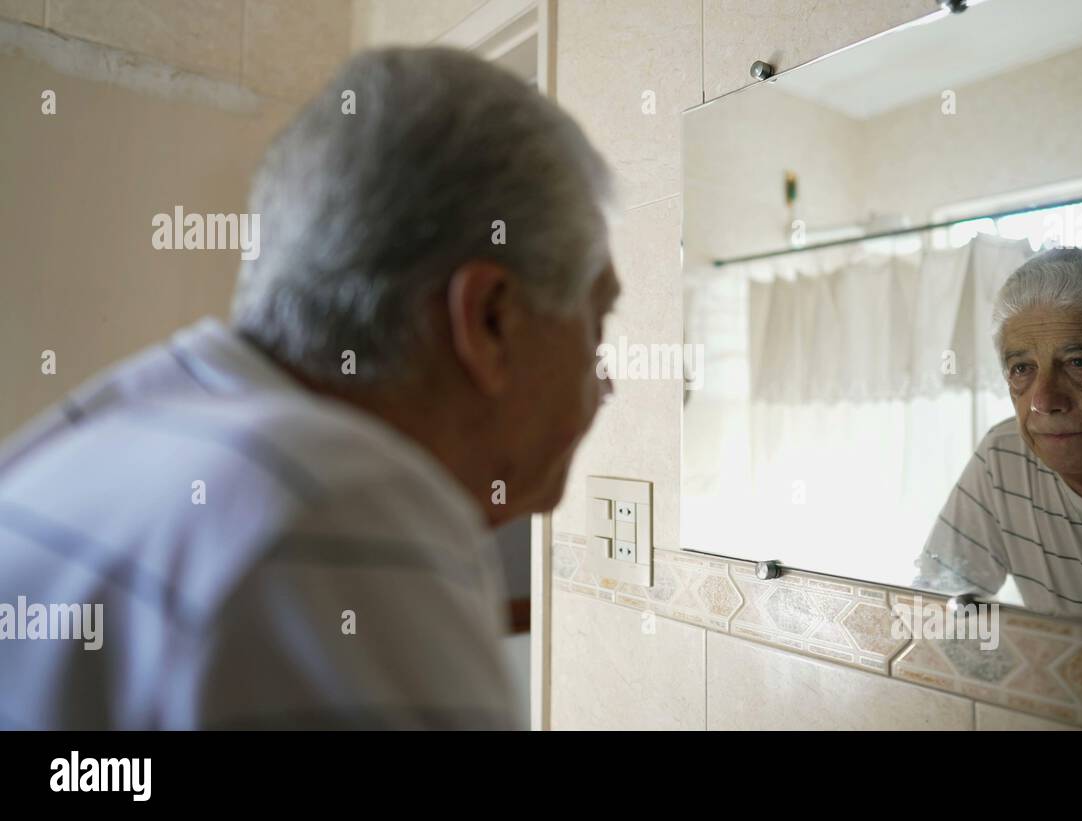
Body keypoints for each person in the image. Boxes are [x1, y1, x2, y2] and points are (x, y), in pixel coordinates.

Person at [0, 46, 619, 729]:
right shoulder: (340, 506)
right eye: (598, 322)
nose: (604, 377)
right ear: (491, 319)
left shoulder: (97, 428)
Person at [914, 247, 1082, 628]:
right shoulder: (1006, 453)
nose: (1044, 401)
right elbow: (935, 606)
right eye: (1022, 368)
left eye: (1080, 363)